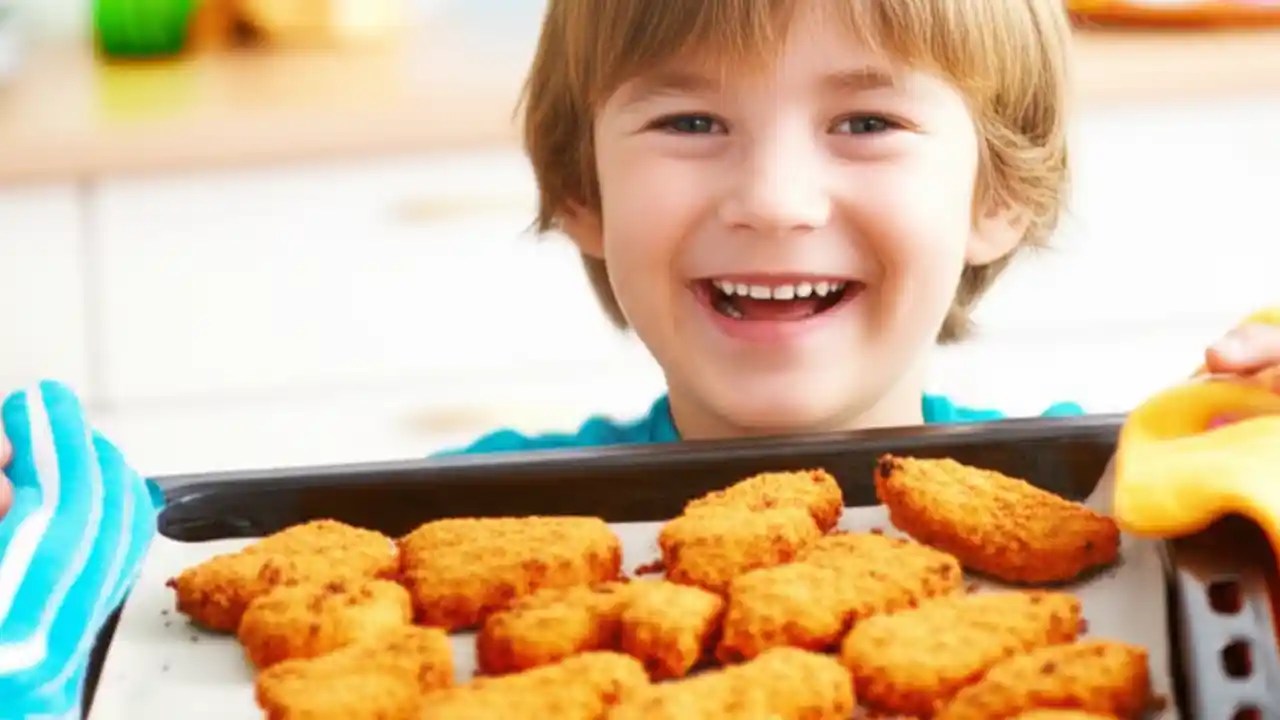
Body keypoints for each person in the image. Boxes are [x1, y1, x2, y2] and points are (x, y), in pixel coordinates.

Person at [1, 0, 1278, 716]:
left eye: (866, 119)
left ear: (996, 190)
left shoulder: (1122, 498)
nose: (773, 197)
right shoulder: (450, 540)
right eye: (690, 119)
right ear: (582, 192)